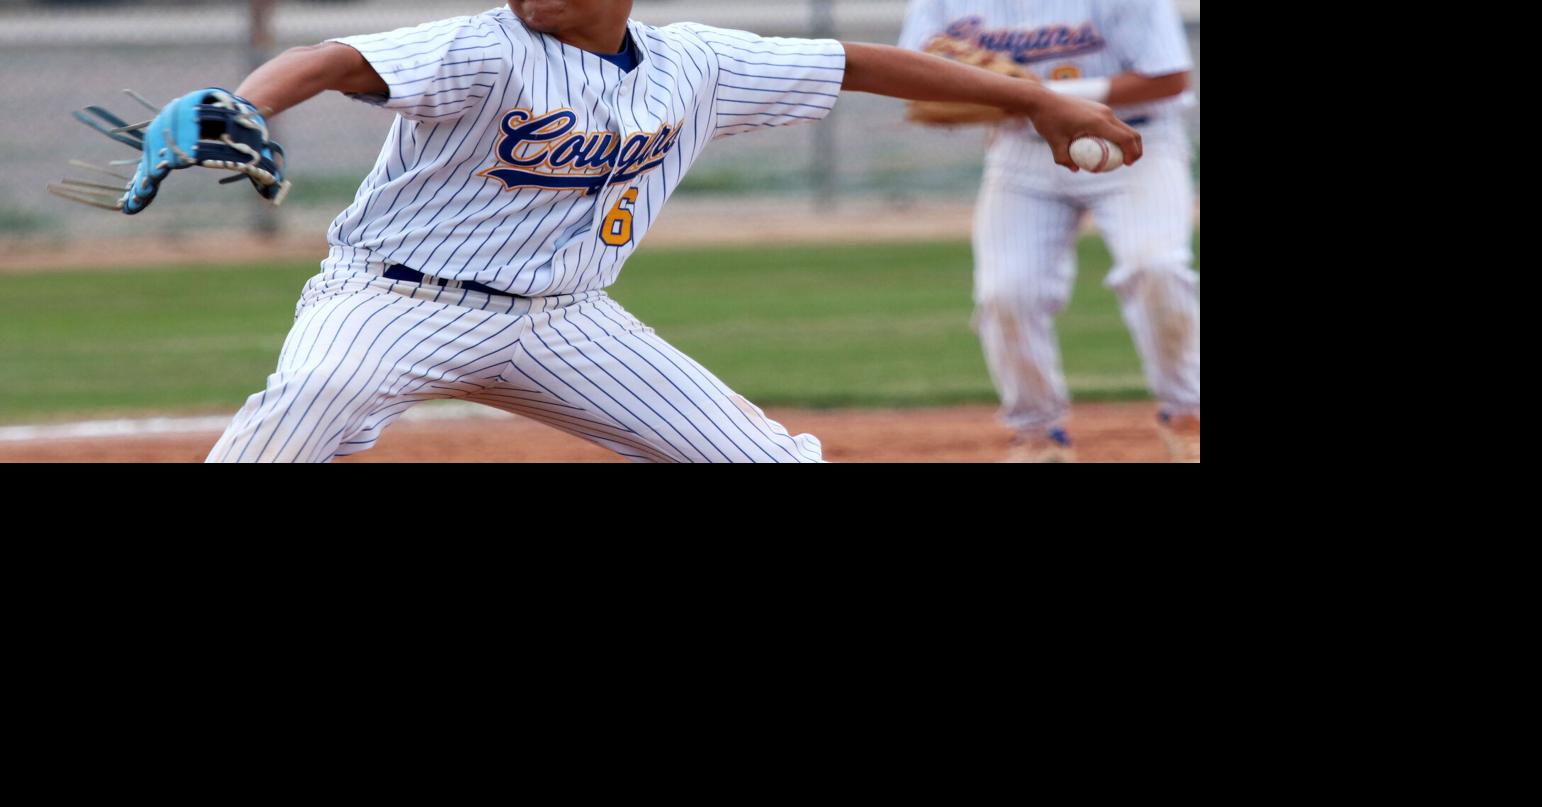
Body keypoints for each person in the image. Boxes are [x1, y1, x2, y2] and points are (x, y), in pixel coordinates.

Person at [195, 0, 1137, 463]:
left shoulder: (697, 63)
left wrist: (1032, 100)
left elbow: (857, 63)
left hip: (564, 321)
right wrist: (238, 104)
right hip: (394, 298)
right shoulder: (482, 44)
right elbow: (329, 59)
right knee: (311, 397)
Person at [899, 0, 1201, 462]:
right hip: (1022, 149)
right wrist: (1011, 98)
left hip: (1135, 142)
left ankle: (1187, 413)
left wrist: (1049, 95)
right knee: (1006, 293)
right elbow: (910, 74)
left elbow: (1170, 76)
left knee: (1156, 266)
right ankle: (1037, 434)